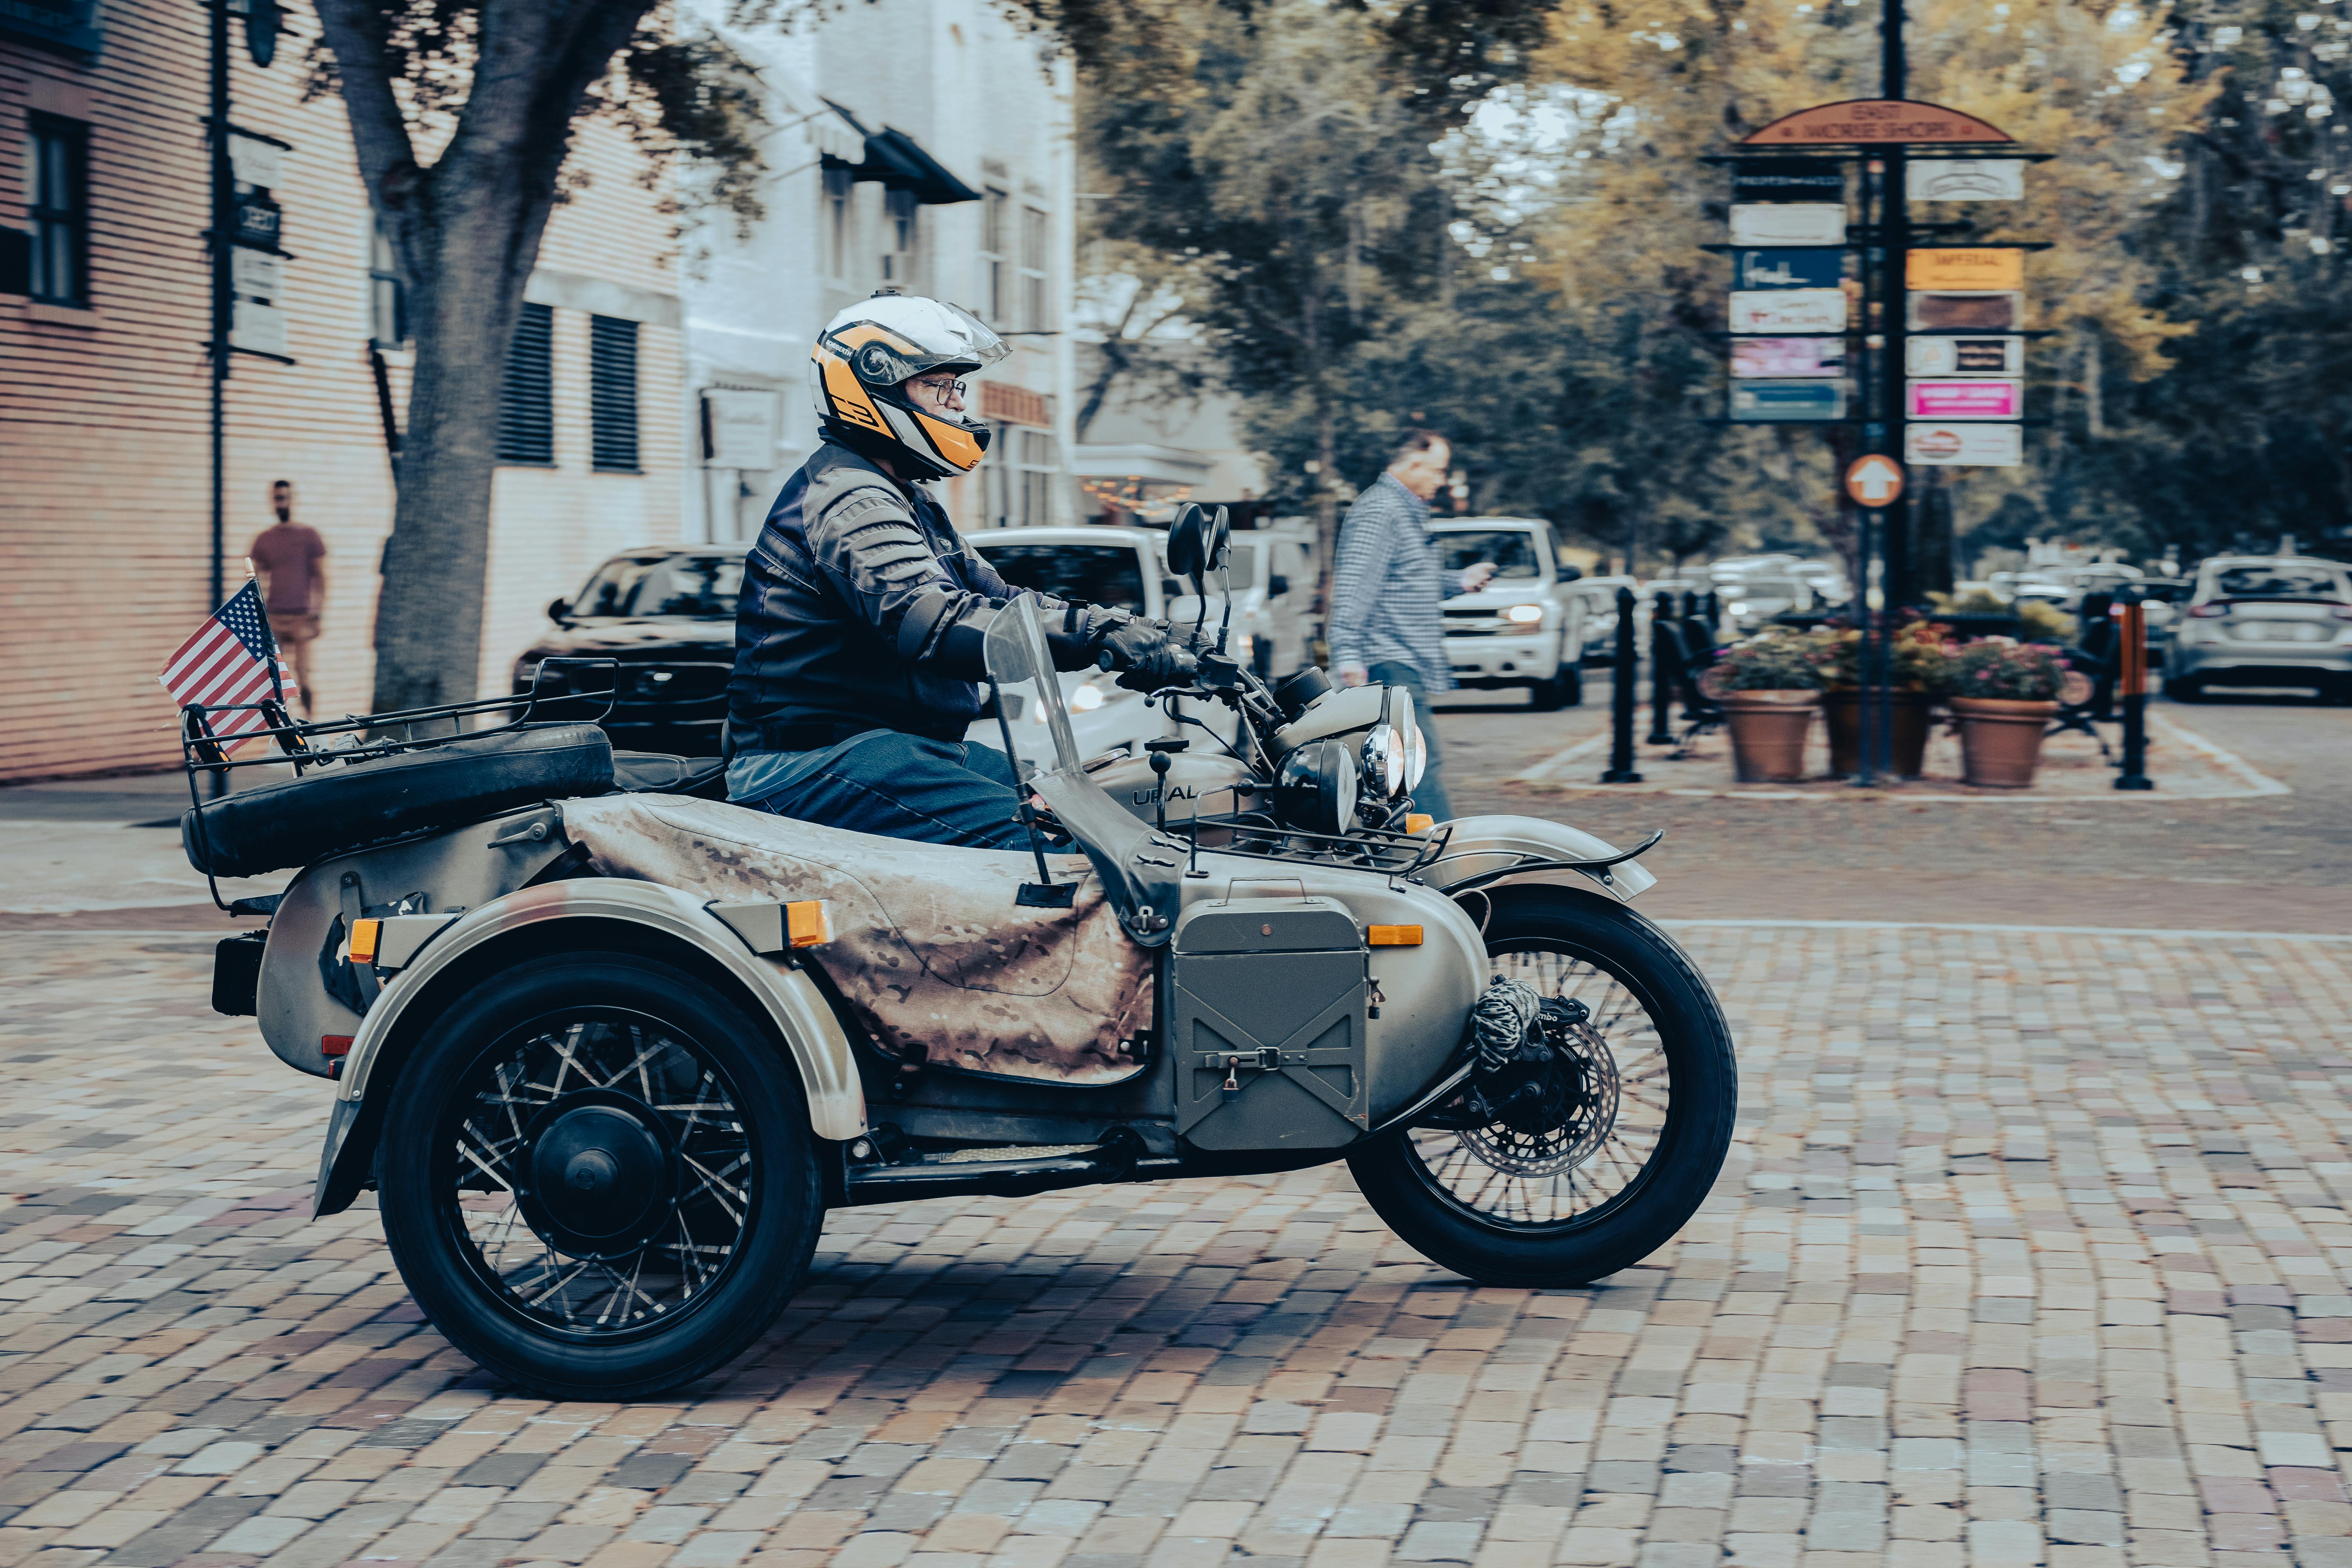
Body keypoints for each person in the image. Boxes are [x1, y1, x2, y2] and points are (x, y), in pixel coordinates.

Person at [724, 291, 1184, 848]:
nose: (955, 404)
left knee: (1082, 801)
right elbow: (935, 623)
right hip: (814, 761)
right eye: (936, 386)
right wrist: (1098, 636)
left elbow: (1001, 597)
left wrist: (1136, 629)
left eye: (956, 386)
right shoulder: (851, 498)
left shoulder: (902, 496)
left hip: (896, 748)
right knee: (1059, 851)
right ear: (875, 386)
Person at [1326, 430, 1495, 824]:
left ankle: (1409, 863)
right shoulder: (1381, 510)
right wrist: (1348, 654)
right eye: (1438, 470)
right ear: (1413, 464)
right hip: (1387, 660)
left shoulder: (1404, 511)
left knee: (1400, 773)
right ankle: (1442, 866)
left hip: (1403, 659)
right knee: (1418, 767)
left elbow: (1405, 580)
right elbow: (1354, 584)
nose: (1442, 480)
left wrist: (1460, 582)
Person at [248, 479, 326, 716]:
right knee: (275, 679)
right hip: (275, 617)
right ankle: (282, 728)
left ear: (294, 499)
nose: (282, 502)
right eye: (278, 498)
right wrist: (258, 613)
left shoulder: (309, 536)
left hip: (302, 616)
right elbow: (255, 579)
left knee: (304, 676)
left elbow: (322, 578)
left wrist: (318, 612)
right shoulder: (264, 539)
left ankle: (313, 725)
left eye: (285, 497)